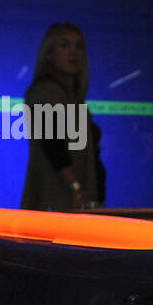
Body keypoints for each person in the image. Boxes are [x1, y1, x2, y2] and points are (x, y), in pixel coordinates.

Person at [20, 22, 104, 211]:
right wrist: (76, 186)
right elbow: (52, 142)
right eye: (64, 45)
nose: (74, 52)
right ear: (49, 53)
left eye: (79, 46)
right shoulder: (45, 92)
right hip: (57, 202)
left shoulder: (73, 97)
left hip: (71, 202)